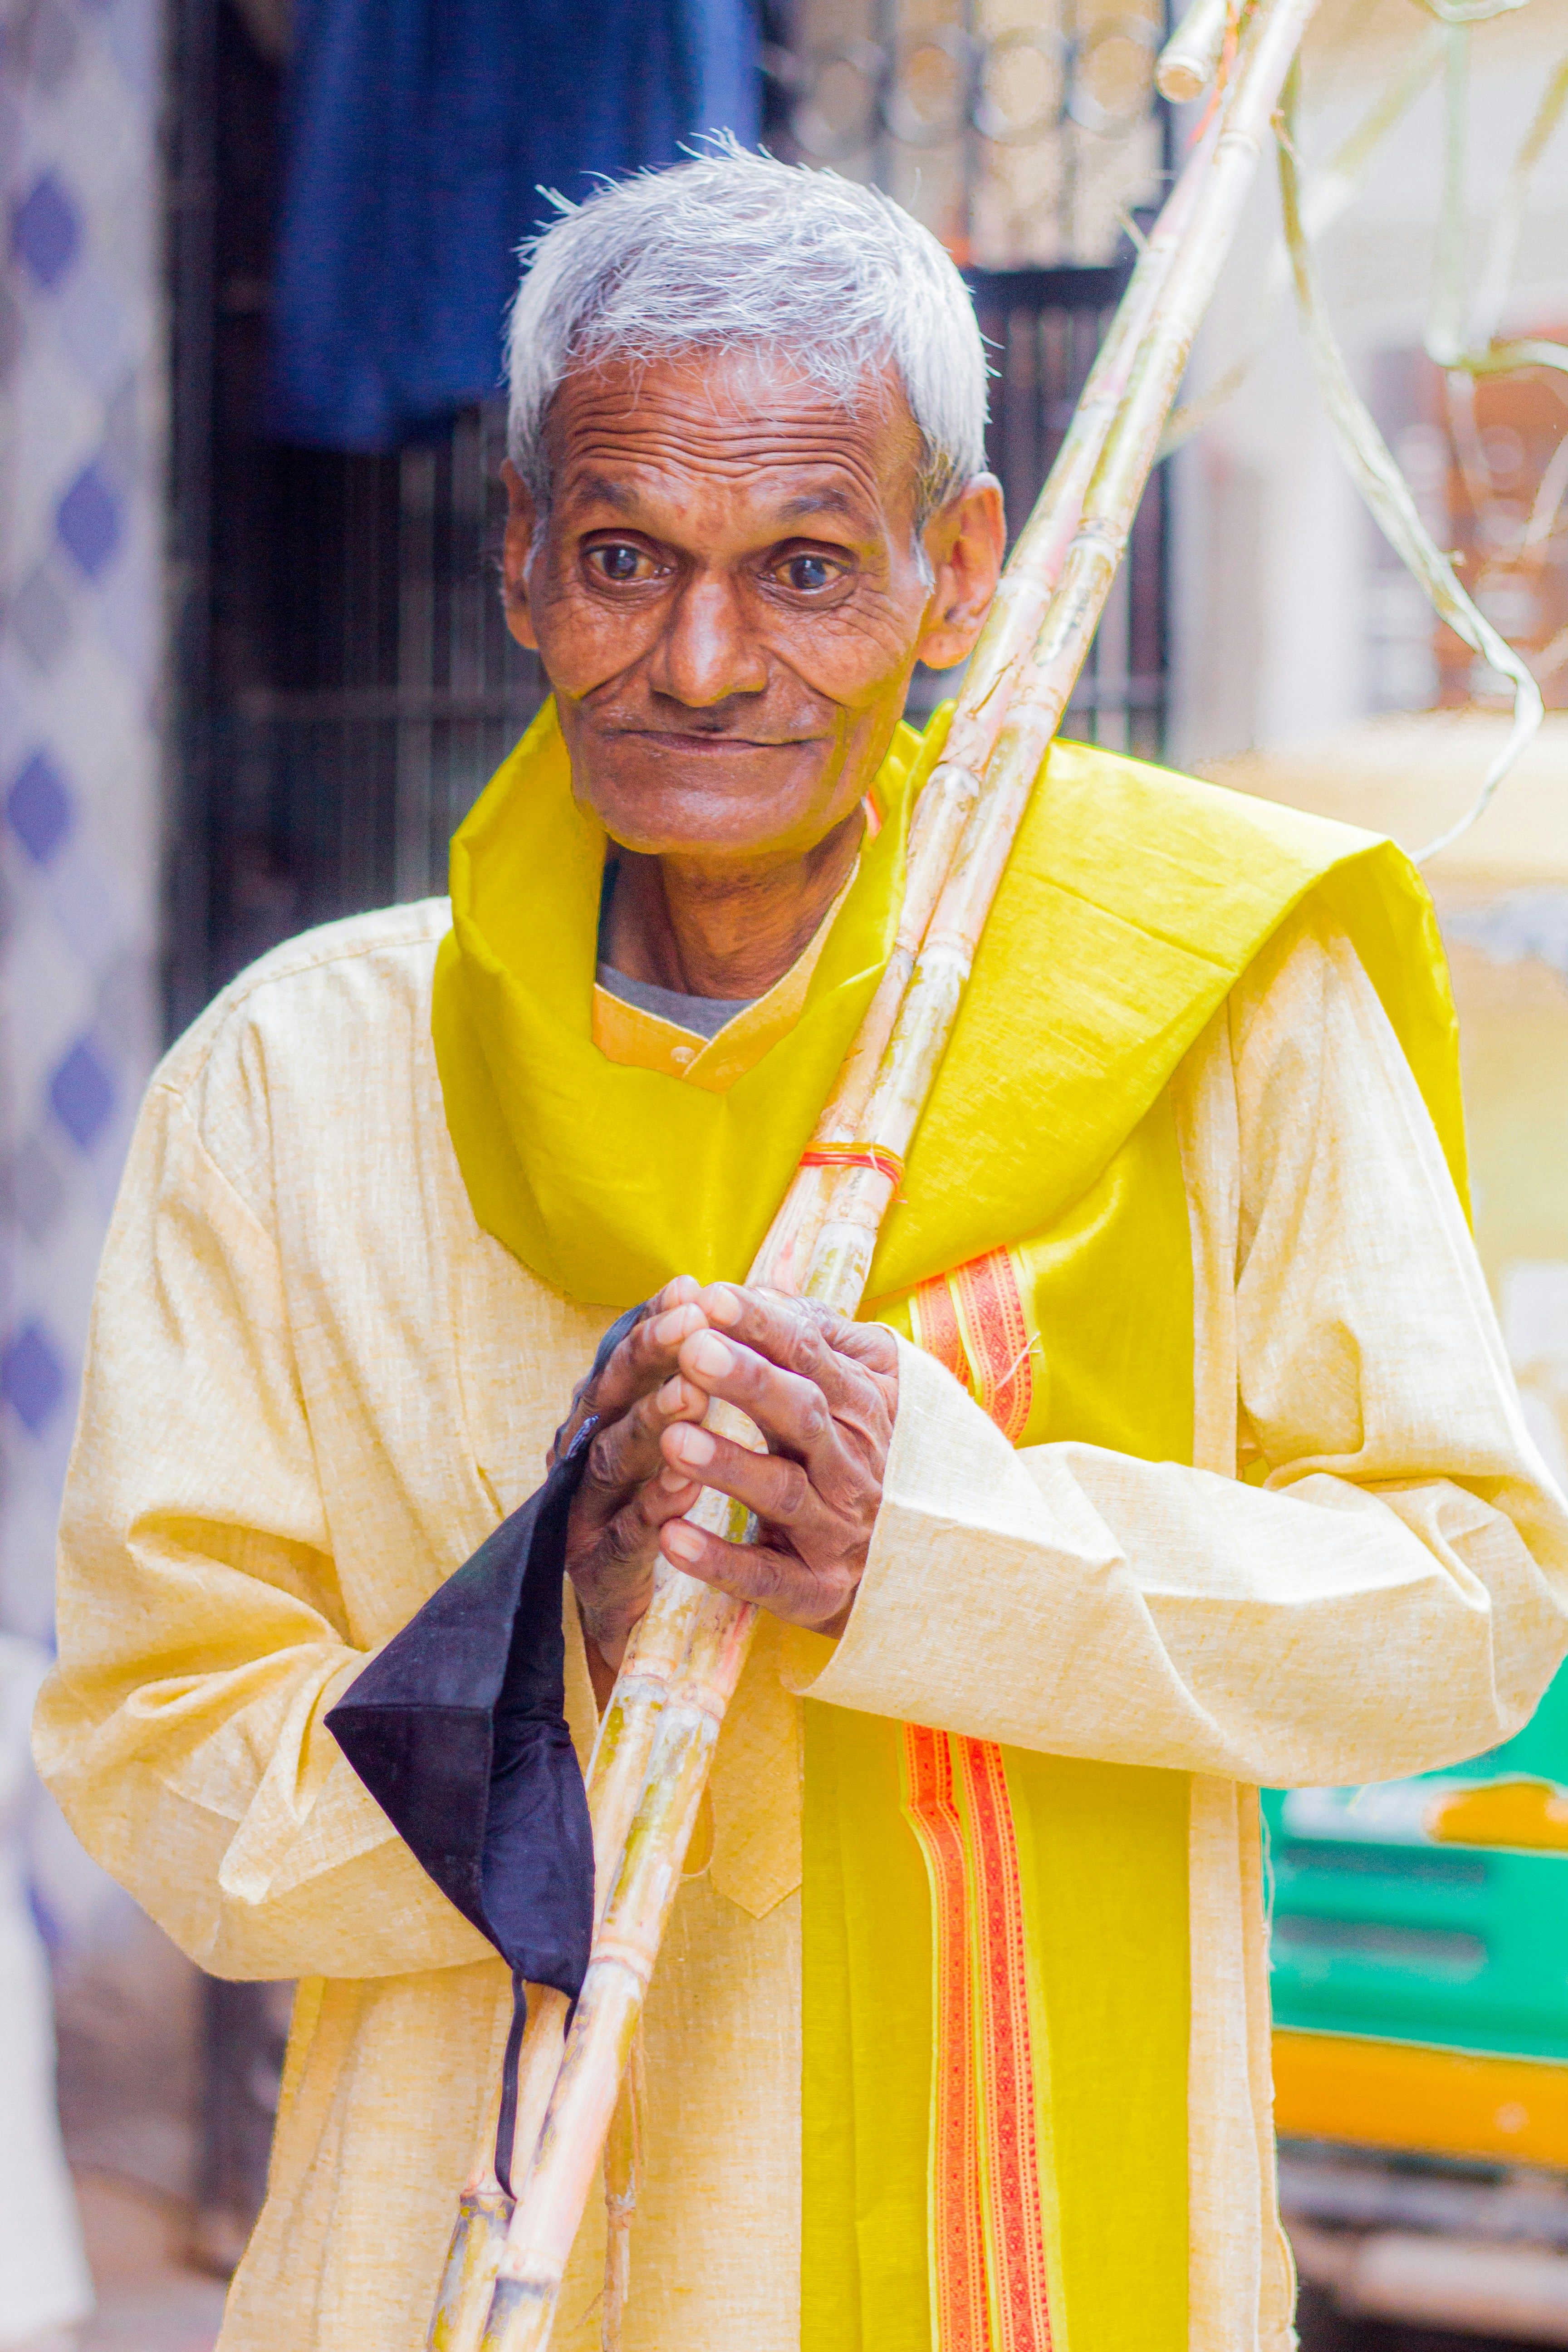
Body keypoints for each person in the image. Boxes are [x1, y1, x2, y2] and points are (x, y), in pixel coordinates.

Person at [32, 148, 1568, 2352]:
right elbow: (162, 1777)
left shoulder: (1205, 1006)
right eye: (629, 557)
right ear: (520, 570)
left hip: (1039, 2275)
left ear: (961, 575)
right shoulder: (300, 1085)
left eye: (812, 567)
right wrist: (547, 1636)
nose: (707, 657)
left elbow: (1467, 1608)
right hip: (476, 2276)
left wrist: (932, 1545)